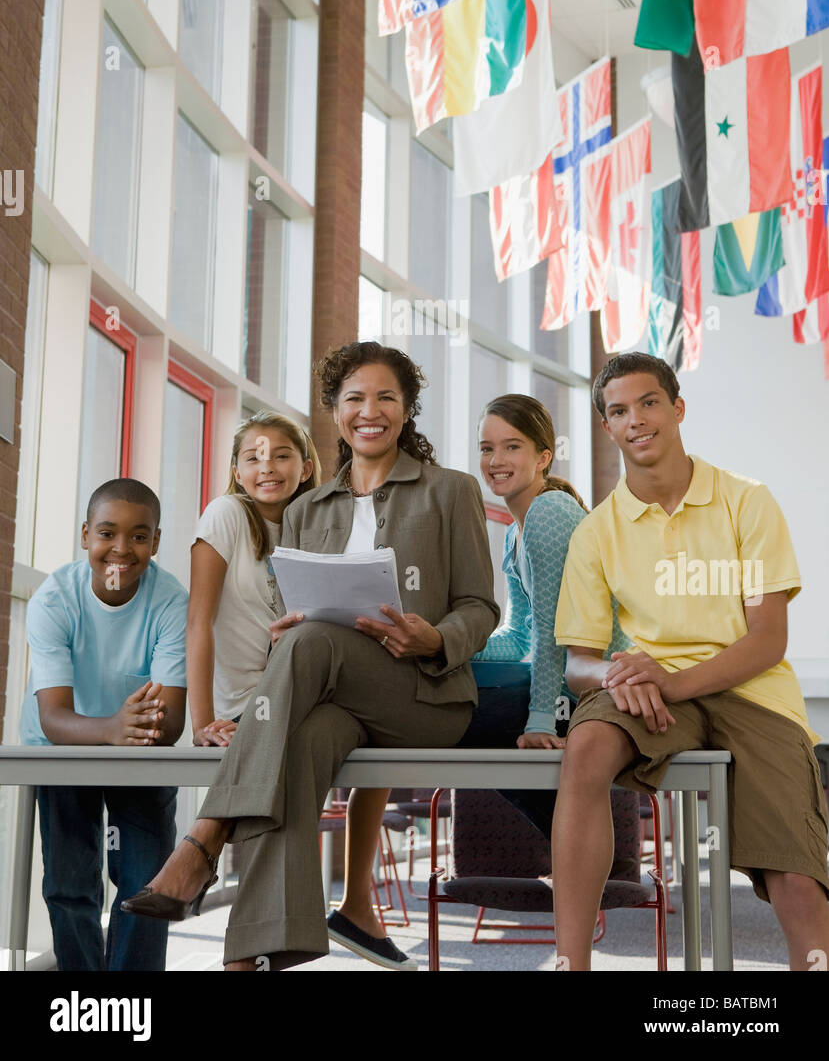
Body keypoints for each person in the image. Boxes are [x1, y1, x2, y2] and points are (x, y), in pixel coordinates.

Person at [121, 342, 500, 972]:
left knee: (310, 644)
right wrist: (289, 628)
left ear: (407, 411)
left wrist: (432, 637)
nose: (369, 410)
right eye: (354, 398)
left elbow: (481, 608)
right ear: (335, 412)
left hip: (425, 697)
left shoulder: (449, 492)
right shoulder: (304, 510)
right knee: (301, 742)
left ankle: (205, 836)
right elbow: (291, 622)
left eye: (386, 397)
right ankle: (254, 955)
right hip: (334, 698)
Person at [551, 351, 829, 971]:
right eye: (619, 411)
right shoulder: (595, 532)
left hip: (752, 693)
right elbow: (580, 662)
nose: (636, 420)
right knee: (587, 745)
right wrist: (618, 674)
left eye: (649, 402)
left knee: (795, 867)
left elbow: (767, 640)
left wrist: (672, 682)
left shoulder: (747, 502)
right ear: (607, 427)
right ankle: (572, 966)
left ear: (677, 408)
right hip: (650, 692)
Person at [330, 393, 629, 968]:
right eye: (487, 448)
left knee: (422, 715)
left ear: (544, 456)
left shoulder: (549, 515)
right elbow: (518, 637)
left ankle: (586, 857)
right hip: (548, 679)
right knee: (431, 695)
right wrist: (444, 650)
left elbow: (556, 637)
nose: (496, 460)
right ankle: (583, 856)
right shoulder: (517, 531)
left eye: (512, 447)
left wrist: (542, 718)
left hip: (578, 690)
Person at [19, 479, 188, 972]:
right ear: (85, 535)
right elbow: (53, 719)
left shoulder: (172, 602)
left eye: (139, 536)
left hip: (140, 753)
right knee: (70, 886)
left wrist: (124, 730)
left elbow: (171, 721)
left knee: (144, 886)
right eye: (108, 533)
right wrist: (114, 726)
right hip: (63, 751)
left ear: (156, 543)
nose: (121, 548)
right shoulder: (54, 600)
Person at [187, 410, 320, 748]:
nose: (267, 467)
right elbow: (198, 621)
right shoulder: (225, 514)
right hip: (238, 711)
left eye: (282, 455)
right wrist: (201, 725)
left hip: (296, 703)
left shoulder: (316, 532)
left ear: (304, 468)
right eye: (254, 458)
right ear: (238, 472)